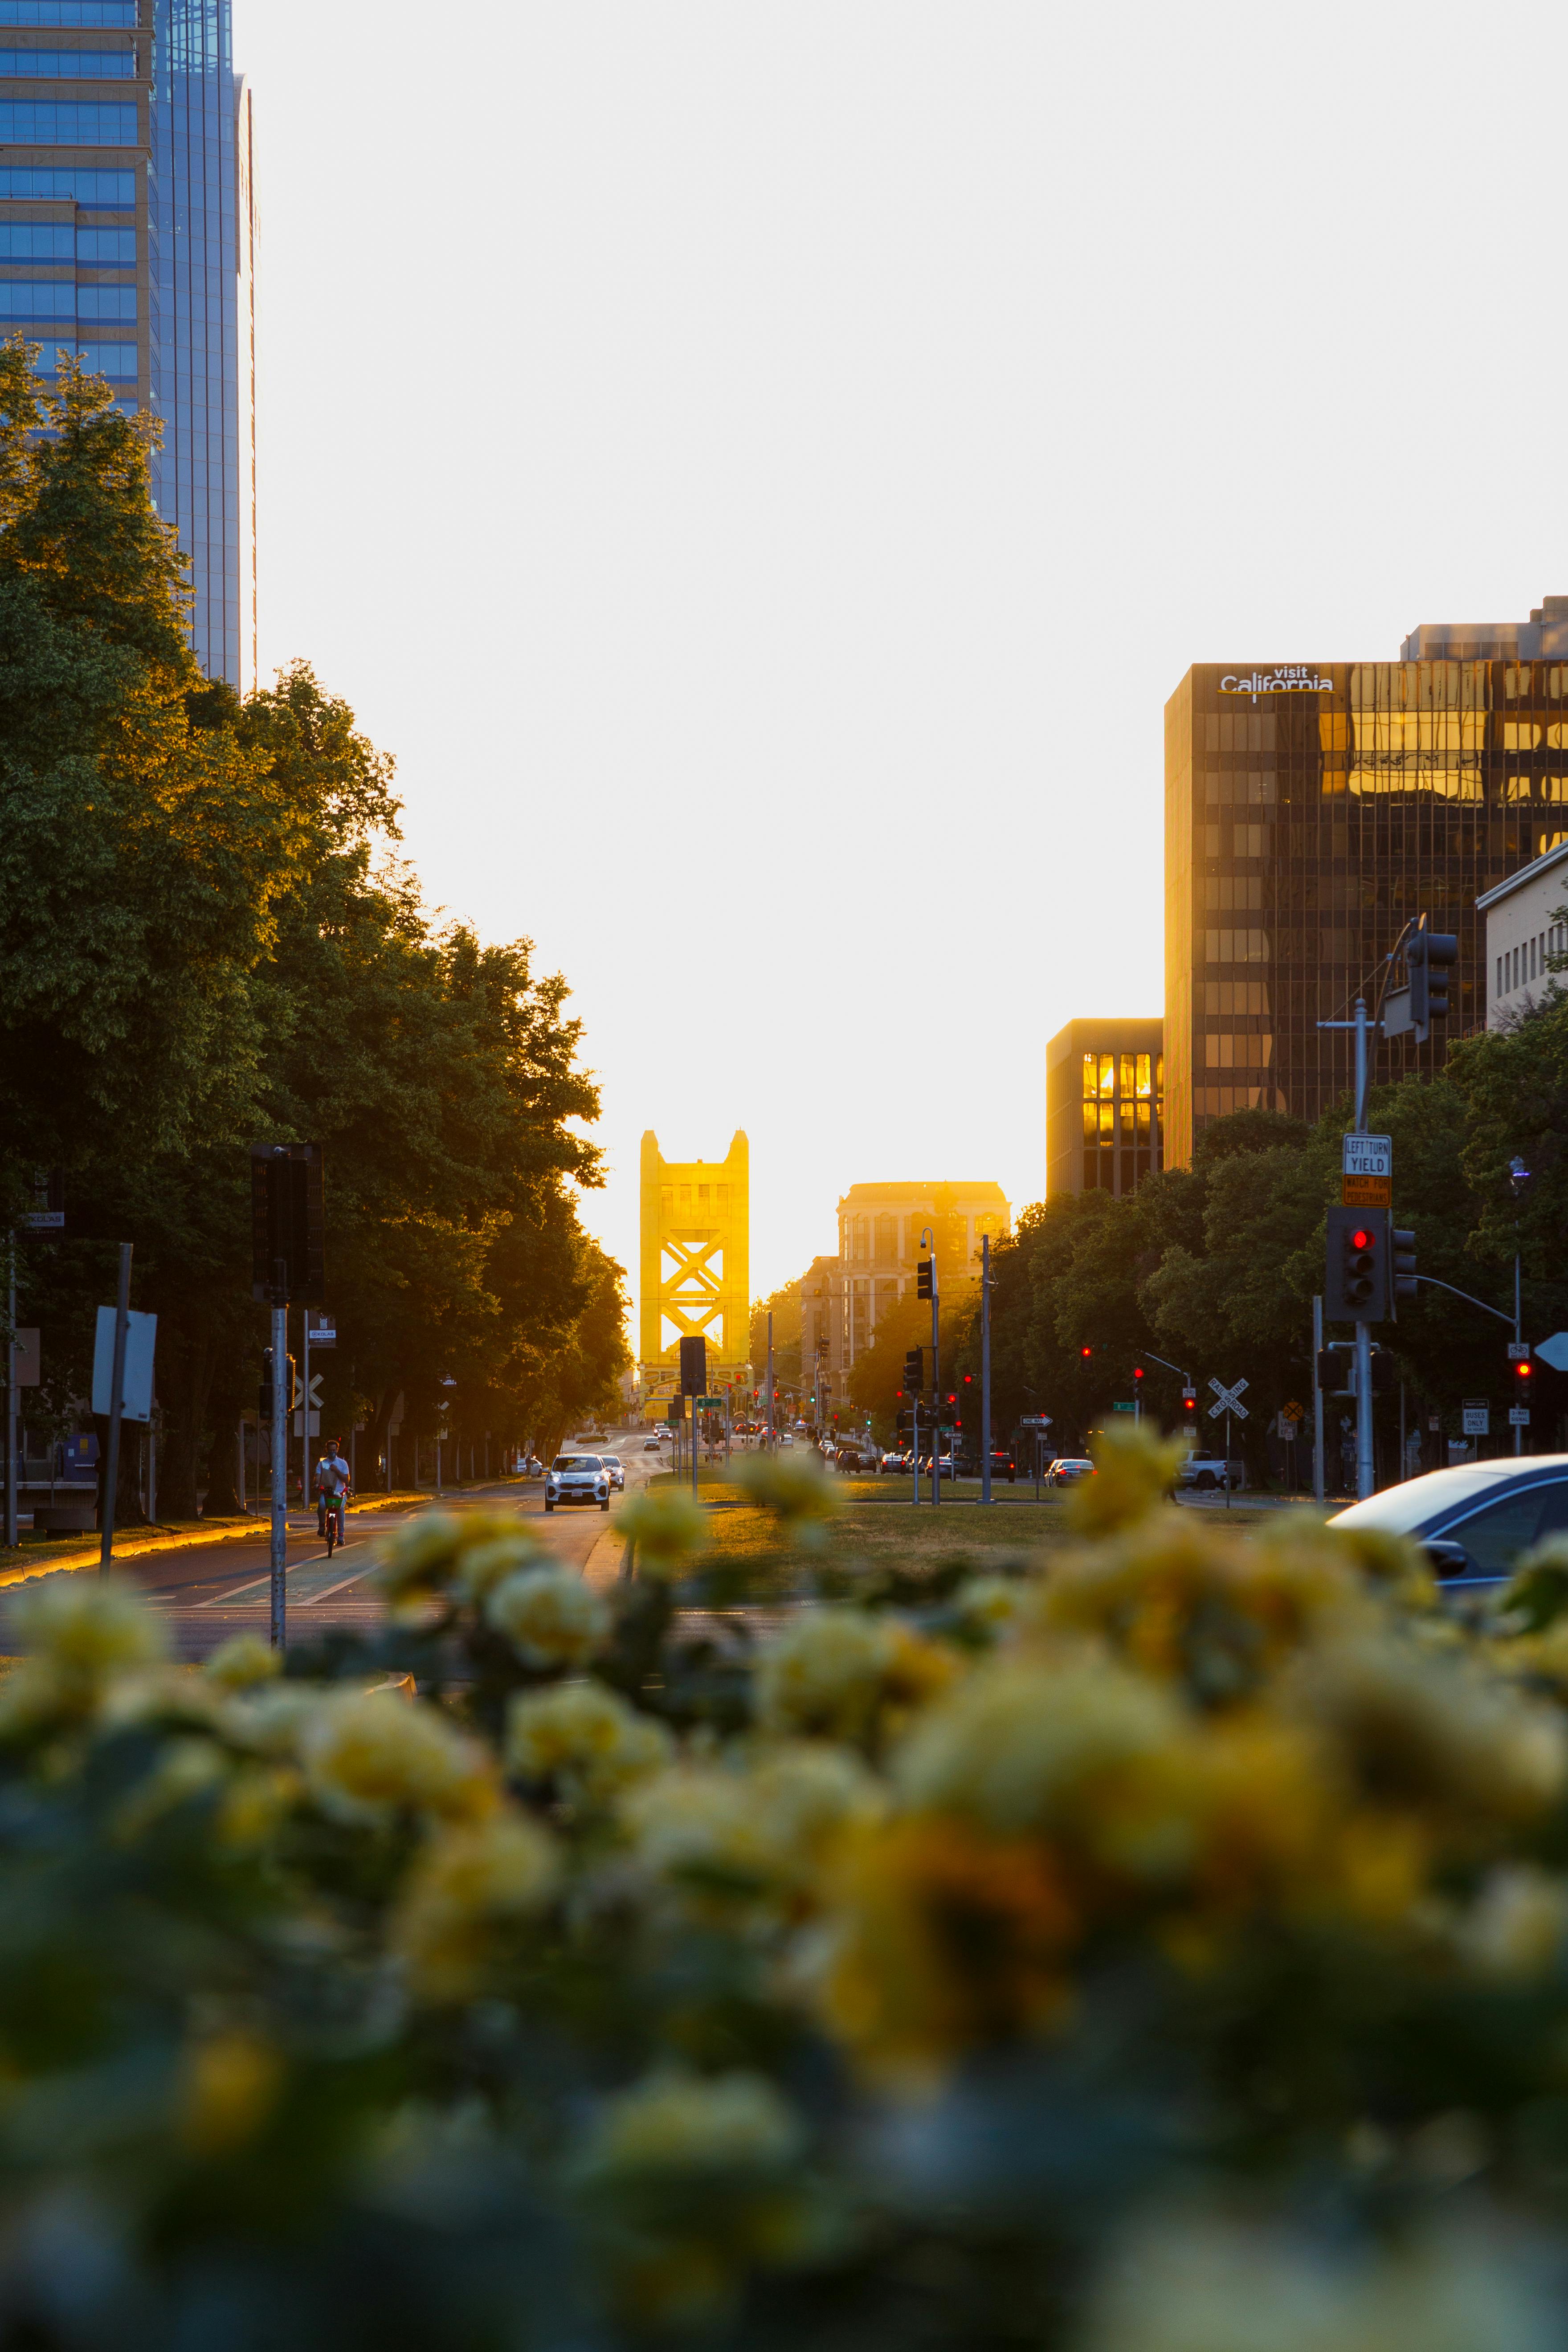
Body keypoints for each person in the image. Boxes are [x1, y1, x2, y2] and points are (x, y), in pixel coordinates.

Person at [314, 1437, 352, 1555]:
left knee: (340, 1509)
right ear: (327, 1450)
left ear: (337, 1450)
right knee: (321, 1505)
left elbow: (347, 1480)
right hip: (327, 1493)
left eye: (334, 1450)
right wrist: (317, 1485)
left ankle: (341, 1535)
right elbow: (318, 1477)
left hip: (340, 1493)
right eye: (330, 1450)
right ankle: (322, 1526)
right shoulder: (322, 1464)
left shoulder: (342, 1464)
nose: (332, 1452)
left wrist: (336, 1470)